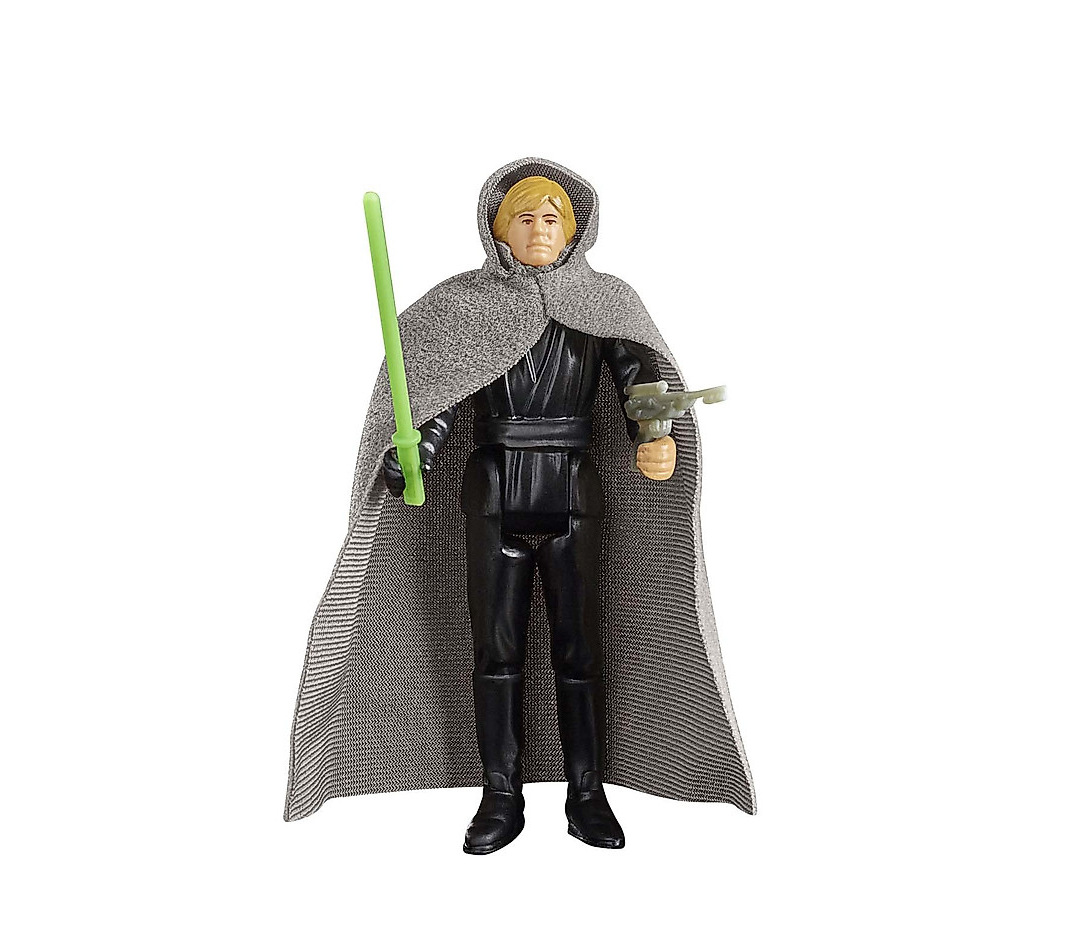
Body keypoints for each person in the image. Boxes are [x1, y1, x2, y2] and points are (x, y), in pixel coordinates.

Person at [285, 159, 755, 851]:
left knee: (581, 651)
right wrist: (415, 449)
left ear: (575, 230)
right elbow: (439, 391)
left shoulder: (606, 302)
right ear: (497, 229)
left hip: (574, 489)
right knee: (495, 654)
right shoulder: (463, 306)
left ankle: (587, 792)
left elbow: (640, 378)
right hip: (494, 491)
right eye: (525, 218)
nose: (540, 231)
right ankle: (499, 793)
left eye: (552, 219)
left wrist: (655, 436)